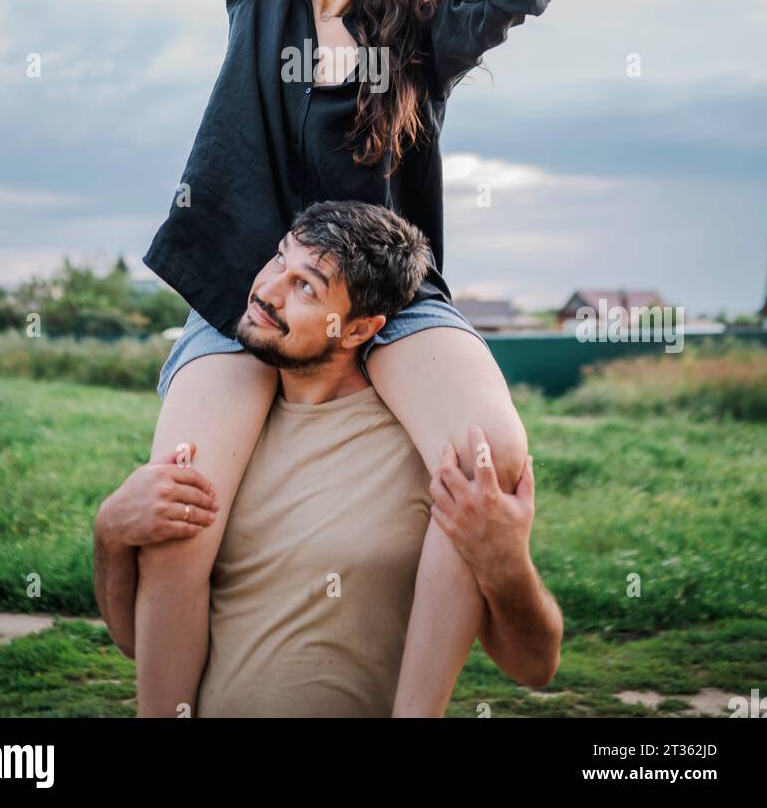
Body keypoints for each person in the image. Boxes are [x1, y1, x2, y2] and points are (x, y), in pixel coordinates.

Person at [139, 0, 553, 717]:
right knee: (184, 497)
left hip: (388, 294)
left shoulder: (415, 35)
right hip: (243, 290)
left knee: (484, 456)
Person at [96, 201, 563, 717]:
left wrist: (507, 564)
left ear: (360, 329)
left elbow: (534, 666)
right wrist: (111, 535)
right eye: (278, 260)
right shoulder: (215, 444)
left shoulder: (432, 454)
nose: (268, 292)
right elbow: (138, 646)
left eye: (306, 287)